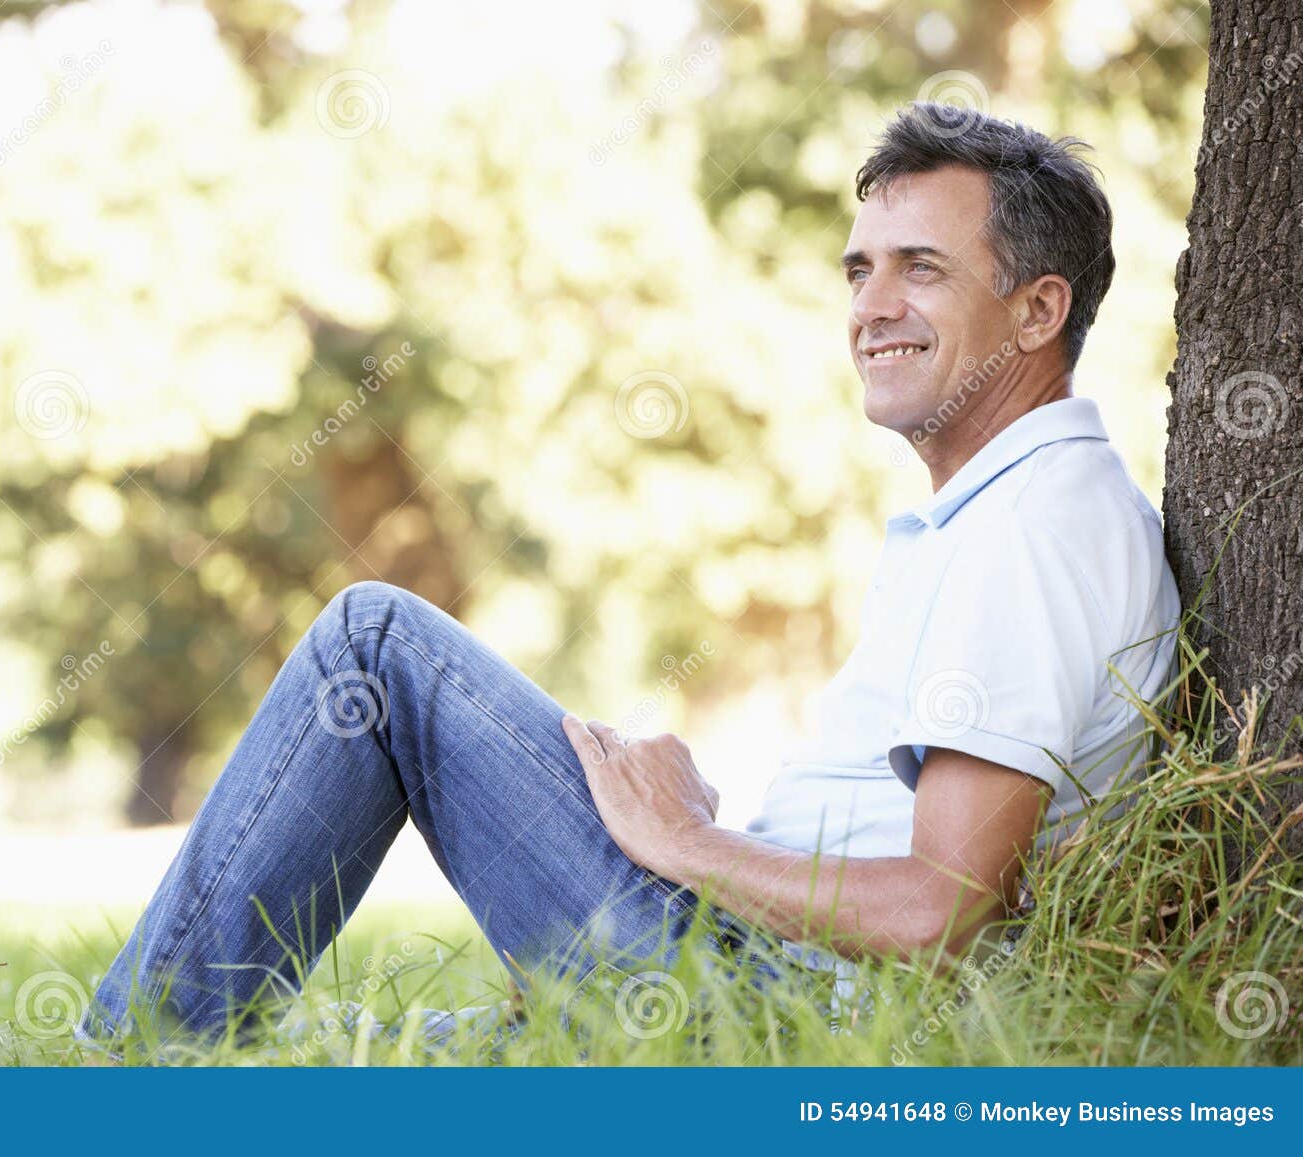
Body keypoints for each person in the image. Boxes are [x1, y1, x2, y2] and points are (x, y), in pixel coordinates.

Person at [80, 102, 1179, 1045]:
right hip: (756, 967)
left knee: (376, 643)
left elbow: (942, 909)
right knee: (407, 1050)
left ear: (1038, 309)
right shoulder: (1013, 507)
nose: (870, 306)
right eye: (859, 268)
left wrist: (688, 845)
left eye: (920, 269)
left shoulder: (1032, 529)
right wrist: (704, 838)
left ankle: (123, 1061)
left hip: (772, 1015)